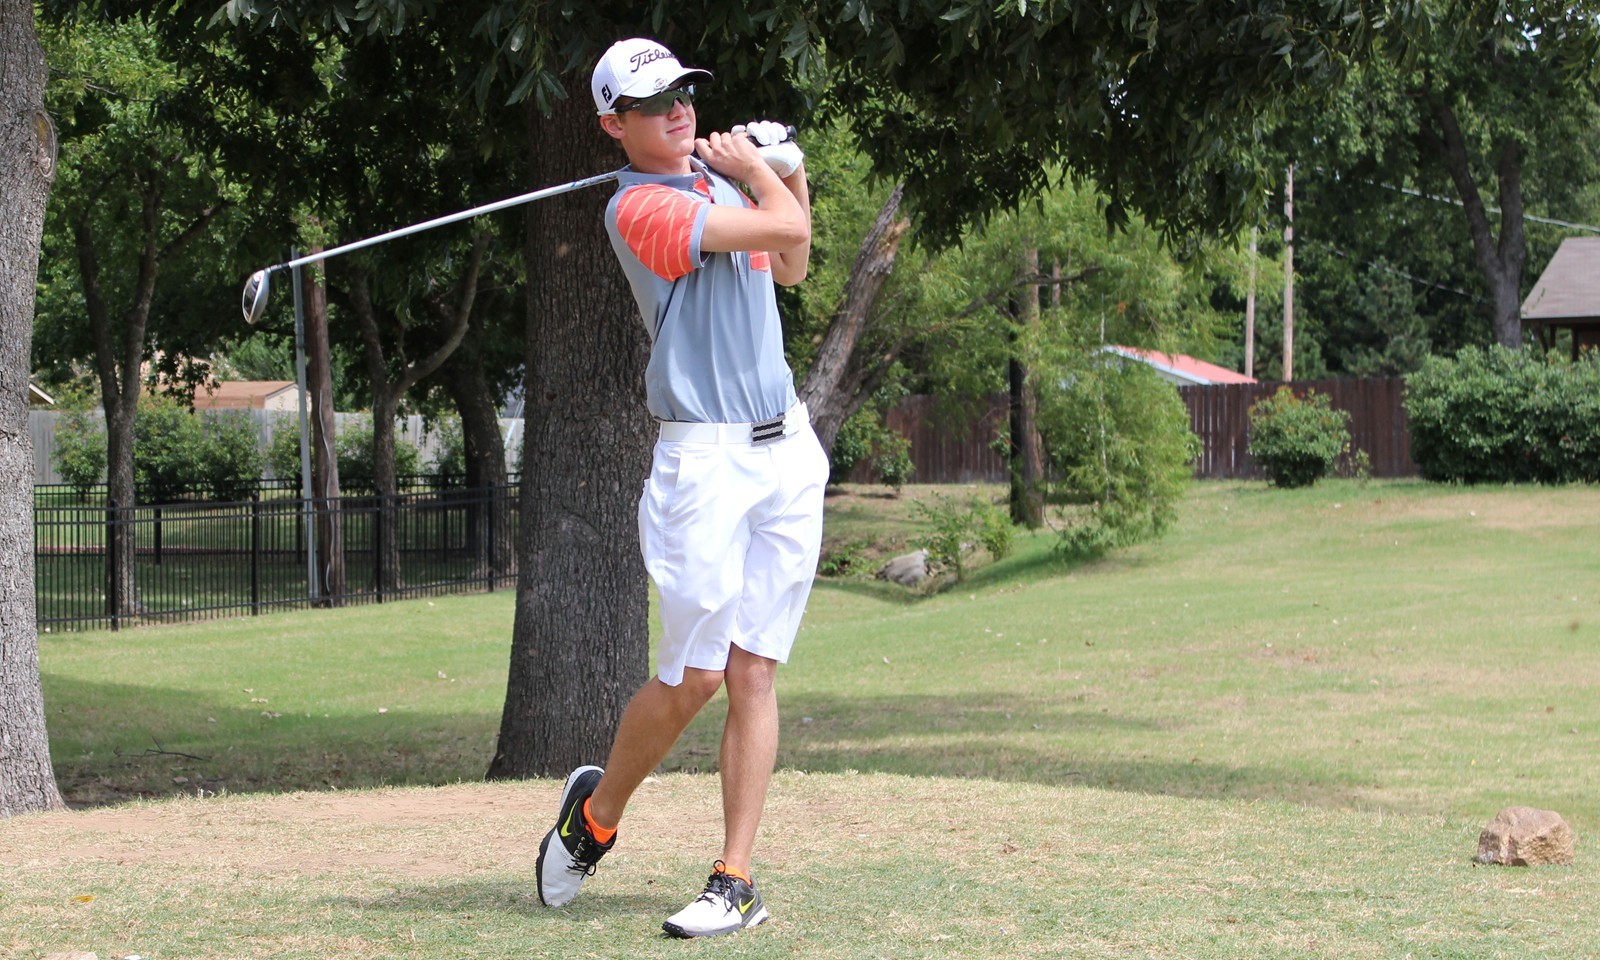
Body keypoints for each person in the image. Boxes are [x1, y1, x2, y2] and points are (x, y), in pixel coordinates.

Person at [534, 37, 826, 939]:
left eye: (685, 95)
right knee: (695, 676)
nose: (679, 111)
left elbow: (793, 266)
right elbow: (786, 230)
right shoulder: (641, 210)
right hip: (703, 462)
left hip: (787, 450)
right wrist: (766, 170)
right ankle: (597, 814)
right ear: (614, 125)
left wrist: (787, 169)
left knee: (753, 671)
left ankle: (734, 879)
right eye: (655, 103)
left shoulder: (721, 180)